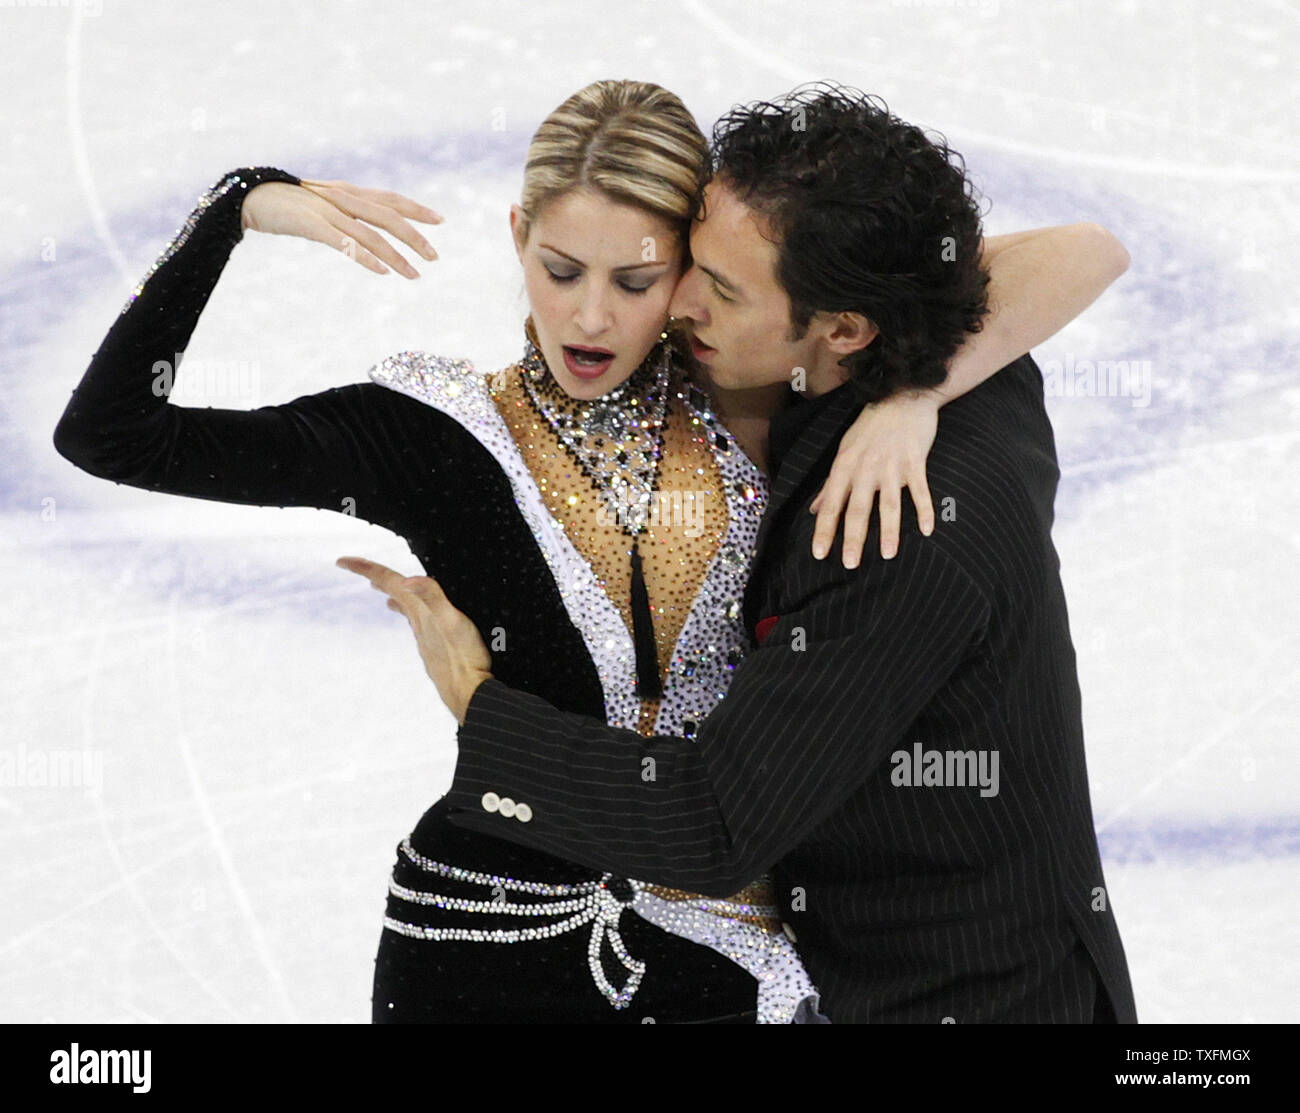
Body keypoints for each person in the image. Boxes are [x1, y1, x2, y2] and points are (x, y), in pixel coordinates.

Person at [57, 79, 1125, 1024]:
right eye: (561, 269)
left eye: (641, 279)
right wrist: (235, 209)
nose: (592, 317)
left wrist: (914, 389)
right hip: (483, 938)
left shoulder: (766, 394)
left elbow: (1067, 256)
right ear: (517, 235)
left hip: (761, 964)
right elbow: (112, 434)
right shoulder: (435, 433)